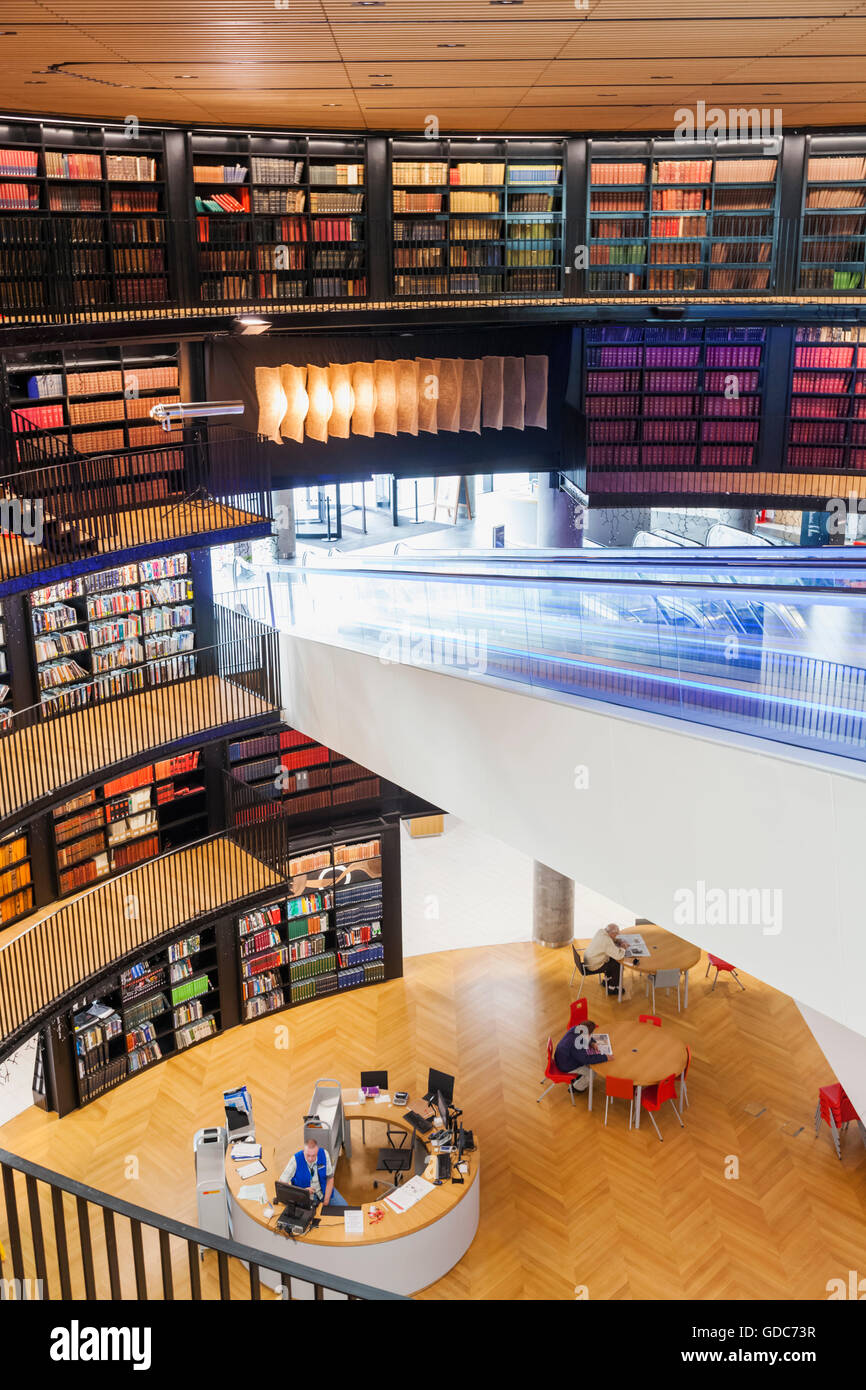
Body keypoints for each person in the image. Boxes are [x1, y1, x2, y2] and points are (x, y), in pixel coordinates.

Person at [279, 1137, 347, 1207]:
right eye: (308, 1155)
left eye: (313, 1156)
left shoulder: (324, 1154)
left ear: (317, 1152)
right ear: (303, 1151)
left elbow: (330, 1178)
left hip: (324, 1191)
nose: (310, 1159)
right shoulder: (295, 1160)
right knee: (312, 1216)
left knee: (345, 1208)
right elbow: (282, 1185)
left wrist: (326, 1201)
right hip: (306, 1197)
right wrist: (302, 1192)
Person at [553, 1020, 610, 1093]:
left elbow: (585, 1039)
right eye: (591, 1034)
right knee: (592, 1073)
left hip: (562, 1058)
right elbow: (586, 1059)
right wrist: (606, 1057)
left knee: (591, 1060)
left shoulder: (576, 1029)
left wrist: (592, 1043)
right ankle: (577, 1087)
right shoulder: (577, 1045)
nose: (591, 1035)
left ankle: (579, 1077)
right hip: (566, 1065)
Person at [584, 922, 632, 997]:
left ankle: (606, 980)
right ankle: (612, 988)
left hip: (589, 960)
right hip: (593, 965)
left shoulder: (601, 931)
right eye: (616, 934)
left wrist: (617, 941)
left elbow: (609, 941)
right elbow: (619, 956)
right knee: (617, 964)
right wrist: (623, 947)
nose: (617, 936)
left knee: (612, 959)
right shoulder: (607, 941)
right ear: (612, 934)